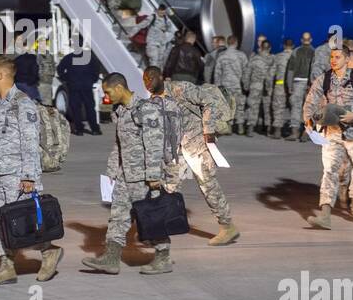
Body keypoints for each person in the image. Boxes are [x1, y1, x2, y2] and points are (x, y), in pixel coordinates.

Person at [0, 57, 63, 285]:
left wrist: (29, 176)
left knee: (26, 221)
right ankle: (6, 266)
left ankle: (48, 251)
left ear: (1, 75)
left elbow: (31, 142)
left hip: (18, 174)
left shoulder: (23, 104)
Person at [82, 72, 172, 275]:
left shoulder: (145, 109)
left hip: (144, 177)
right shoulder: (121, 111)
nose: (106, 96)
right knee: (118, 216)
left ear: (119, 88)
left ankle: (163, 257)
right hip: (125, 175)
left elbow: (155, 143)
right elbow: (118, 144)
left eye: (108, 91)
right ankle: (111, 259)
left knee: (150, 217)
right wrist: (112, 170)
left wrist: (154, 176)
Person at [147, 67, 240, 245]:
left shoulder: (180, 88)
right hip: (179, 147)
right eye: (145, 80)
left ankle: (227, 227)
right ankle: (160, 229)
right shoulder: (154, 101)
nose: (148, 82)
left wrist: (208, 130)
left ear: (161, 77)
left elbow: (209, 102)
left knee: (208, 184)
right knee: (169, 186)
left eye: (151, 78)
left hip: (199, 142)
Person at [303, 47, 353, 229]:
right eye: (332, 56)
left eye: (338, 57)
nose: (333, 60)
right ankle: (325, 215)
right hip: (332, 133)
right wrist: (308, 120)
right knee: (329, 172)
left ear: (347, 59)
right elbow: (311, 101)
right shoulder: (324, 79)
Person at [58, 46, 101, 135]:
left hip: (74, 86)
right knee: (90, 108)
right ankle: (95, 129)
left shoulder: (69, 57)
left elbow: (60, 69)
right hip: (86, 86)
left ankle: (79, 129)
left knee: (76, 108)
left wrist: (66, 78)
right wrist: (92, 80)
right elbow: (96, 70)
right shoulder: (90, 57)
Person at [213, 35, 247, 134]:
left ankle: (229, 127)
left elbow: (217, 72)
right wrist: (245, 85)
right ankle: (240, 127)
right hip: (237, 85)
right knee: (239, 106)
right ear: (236, 43)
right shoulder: (241, 55)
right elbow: (246, 71)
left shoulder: (222, 55)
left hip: (225, 85)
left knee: (227, 106)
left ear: (227, 43)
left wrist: (217, 85)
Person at [285, 32, 316, 141]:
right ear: (311, 40)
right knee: (309, 109)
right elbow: (315, 70)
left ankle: (294, 132)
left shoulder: (296, 51)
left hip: (297, 82)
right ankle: (306, 133)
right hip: (310, 83)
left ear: (302, 40)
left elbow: (290, 70)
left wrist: (289, 85)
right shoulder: (315, 52)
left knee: (296, 108)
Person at [243, 39, 274, 134]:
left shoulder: (254, 59)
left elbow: (247, 73)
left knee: (253, 107)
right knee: (267, 108)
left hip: (255, 85)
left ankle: (250, 128)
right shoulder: (272, 59)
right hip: (267, 87)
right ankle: (267, 128)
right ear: (270, 48)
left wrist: (246, 85)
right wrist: (269, 87)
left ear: (261, 48)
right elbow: (272, 75)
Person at [269, 38, 294, 138]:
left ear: (284, 46)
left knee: (278, 108)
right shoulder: (295, 56)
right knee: (294, 109)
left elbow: (271, 74)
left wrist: (269, 87)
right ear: (293, 46)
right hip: (294, 85)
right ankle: (293, 131)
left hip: (280, 85)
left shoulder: (278, 57)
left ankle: (277, 131)